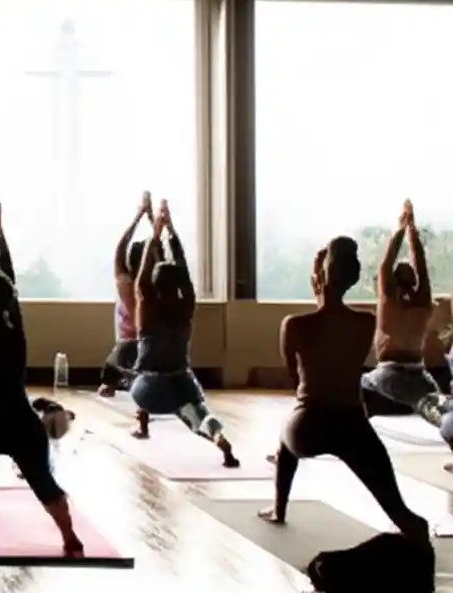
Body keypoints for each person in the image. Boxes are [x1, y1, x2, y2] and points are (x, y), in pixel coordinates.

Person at [258, 237, 429, 541]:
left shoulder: (295, 325)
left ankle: (278, 509)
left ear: (318, 278)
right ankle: (414, 533)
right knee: (398, 509)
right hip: (353, 425)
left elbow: (295, 381)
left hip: (308, 427)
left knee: (286, 439)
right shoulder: (365, 323)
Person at [0, 201, 84, 558]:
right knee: (43, 480)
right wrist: (2, 237)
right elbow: (8, 283)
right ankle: (69, 536)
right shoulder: (16, 332)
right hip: (18, 422)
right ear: (11, 302)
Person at [128, 200, 238, 467]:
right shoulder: (185, 308)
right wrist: (172, 234)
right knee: (198, 414)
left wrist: (155, 236)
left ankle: (142, 423)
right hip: (180, 384)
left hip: (150, 390)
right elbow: (185, 277)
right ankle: (217, 434)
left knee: (135, 372)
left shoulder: (147, 311)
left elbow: (141, 280)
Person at [360, 200, 441, 418]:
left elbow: (386, 265)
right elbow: (421, 267)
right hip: (420, 381)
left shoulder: (389, 303)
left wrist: (402, 229)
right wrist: (411, 232)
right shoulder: (422, 305)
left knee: (349, 386)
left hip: (387, 380)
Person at [98, 192, 154, 397]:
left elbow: (120, 248)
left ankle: (116, 383)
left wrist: (139, 215)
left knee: (119, 361)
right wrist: (153, 221)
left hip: (130, 348)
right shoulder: (151, 282)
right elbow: (163, 251)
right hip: (148, 347)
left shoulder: (126, 282)